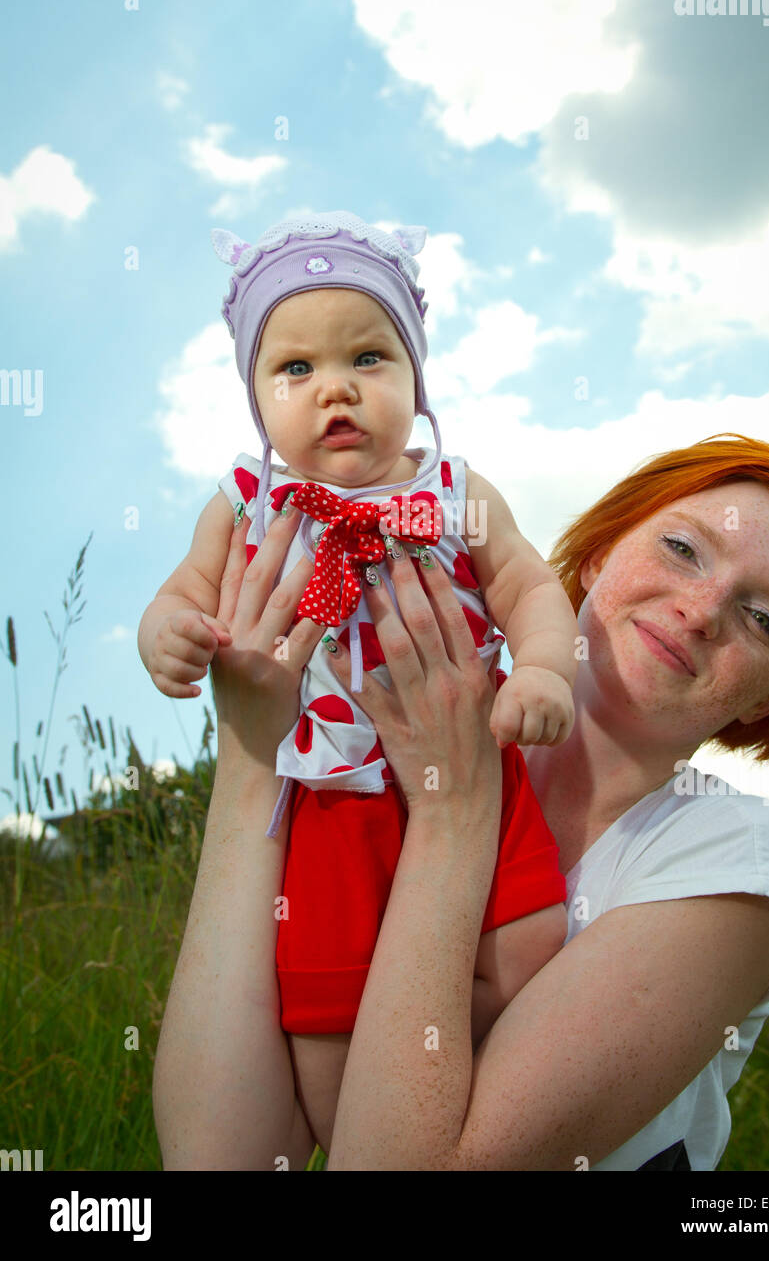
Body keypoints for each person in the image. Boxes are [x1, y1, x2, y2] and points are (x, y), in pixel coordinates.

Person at [152, 431, 769, 1170]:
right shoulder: (364, 762)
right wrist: (249, 755)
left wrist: (452, 816)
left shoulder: (743, 855)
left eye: (765, 620)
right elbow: (216, 1158)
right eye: (684, 549)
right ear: (599, 555)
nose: (703, 609)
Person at [139, 212, 580, 1149]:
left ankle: (459, 1092)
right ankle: (366, 1128)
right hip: (329, 791)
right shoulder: (251, 501)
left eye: (370, 358)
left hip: (472, 769)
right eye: (295, 370)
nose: (335, 387)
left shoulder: (454, 490)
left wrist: (541, 666)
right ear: (258, 401)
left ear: (418, 380)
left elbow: (528, 583)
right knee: (328, 1007)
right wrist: (170, 633)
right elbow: (184, 589)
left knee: (530, 945)